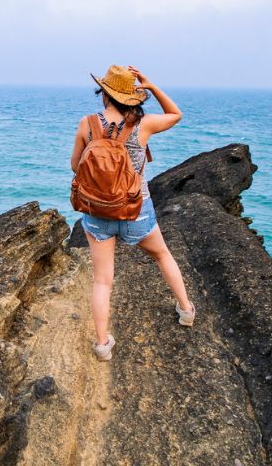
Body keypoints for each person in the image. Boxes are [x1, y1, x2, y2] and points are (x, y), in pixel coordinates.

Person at [70, 64, 196, 361]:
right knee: (162, 255)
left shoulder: (87, 124)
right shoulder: (145, 125)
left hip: (98, 214)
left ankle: (102, 346)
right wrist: (151, 86)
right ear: (132, 97)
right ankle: (187, 311)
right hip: (136, 211)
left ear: (105, 95)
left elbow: (75, 165)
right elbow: (177, 114)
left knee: (102, 279)